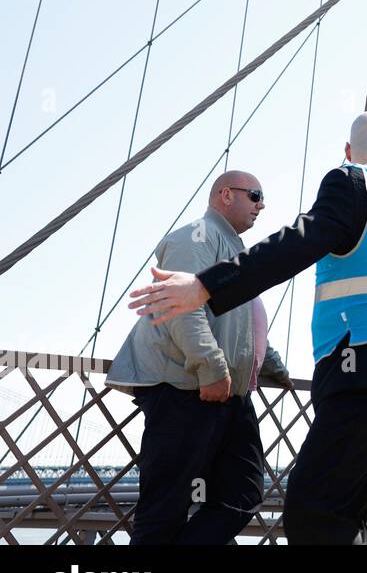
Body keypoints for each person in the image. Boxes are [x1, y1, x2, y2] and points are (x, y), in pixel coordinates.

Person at [129, 111, 367, 544]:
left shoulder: (354, 182)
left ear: (349, 152)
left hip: (362, 363)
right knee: (365, 509)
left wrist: (206, 286)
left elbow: (299, 242)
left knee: (312, 511)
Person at [108, 172, 292, 544]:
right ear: (226, 194)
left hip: (225, 393)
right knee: (165, 507)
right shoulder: (197, 238)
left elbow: (243, 323)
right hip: (188, 389)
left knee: (243, 493)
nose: (262, 205)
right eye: (255, 195)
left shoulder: (235, 251)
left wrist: (273, 368)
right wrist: (211, 368)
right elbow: (180, 309)